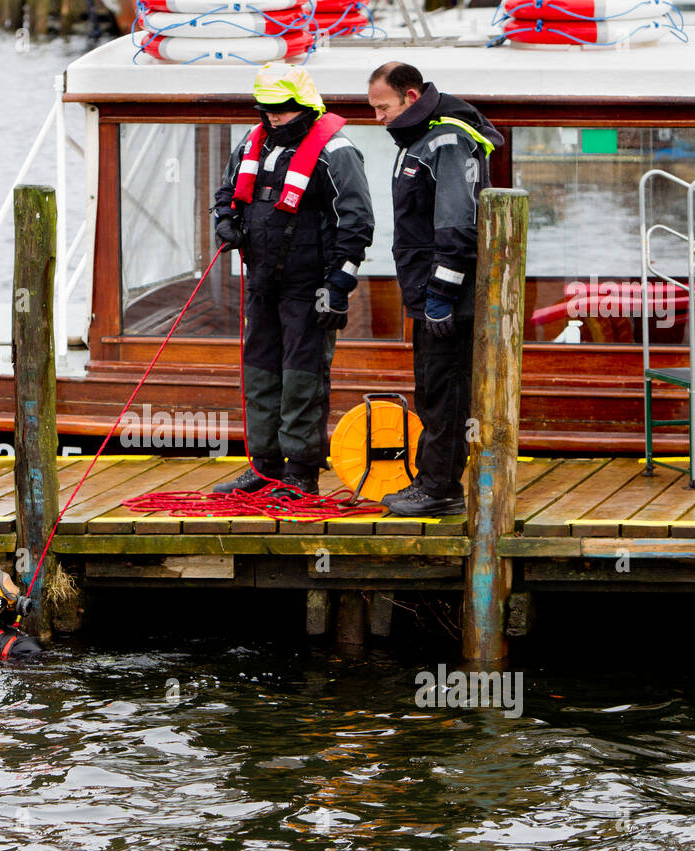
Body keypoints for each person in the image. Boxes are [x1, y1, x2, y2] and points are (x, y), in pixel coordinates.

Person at [211, 62, 375, 497]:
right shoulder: (251, 143)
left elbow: (356, 223)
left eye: (281, 109)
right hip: (262, 282)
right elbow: (226, 193)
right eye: (266, 109)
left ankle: (301, 474)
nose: (272, 117)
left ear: (303, 106)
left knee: (302, 377)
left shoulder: (337, 152)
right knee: (260, 372)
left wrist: (339, 285)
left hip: (310, 285)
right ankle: (263, 468)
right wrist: (225, 222)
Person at [368, 62, 503, 517]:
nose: (378, 117)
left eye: (382, 106)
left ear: (410, 96)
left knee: (445, 393)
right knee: (431, 389)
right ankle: (432, 481)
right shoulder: (418, 139)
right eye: (373, 109)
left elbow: (456, 227)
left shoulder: (445, 139)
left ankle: (440, 488)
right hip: (427, 295)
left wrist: (442, 296)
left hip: (447, 299)